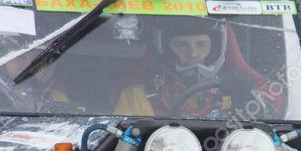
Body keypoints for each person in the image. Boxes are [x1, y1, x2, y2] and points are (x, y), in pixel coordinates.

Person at [113, 17, 272, 117]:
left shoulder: (234, 94)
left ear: (215, 48)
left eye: (202, 44)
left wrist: (246, 96)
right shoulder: (136, 97)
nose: (193, 53)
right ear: (167, 50)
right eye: (181, 45)